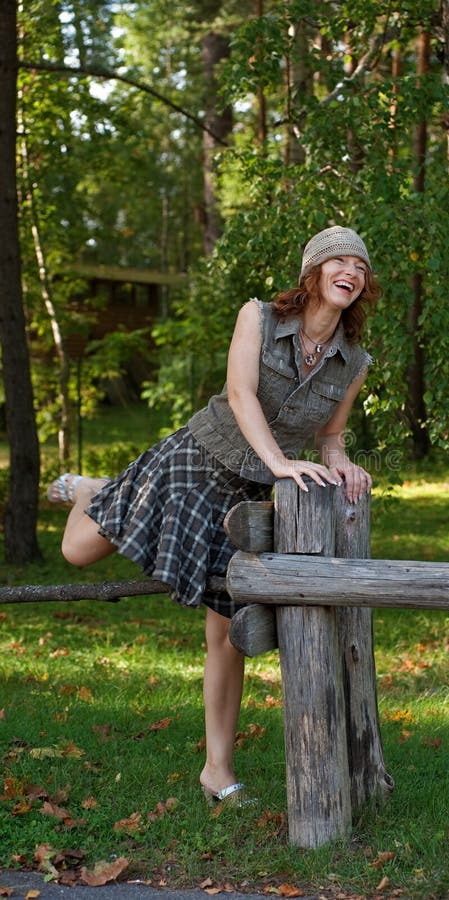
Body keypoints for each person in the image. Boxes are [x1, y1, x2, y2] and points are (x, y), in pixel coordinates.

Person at [48, 225, 381, 808]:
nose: (349, 271)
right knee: (78, 551)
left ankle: (217, 773)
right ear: (315, 271)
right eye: (339, 261)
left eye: (359, 265)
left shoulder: (354, 362)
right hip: (197, 460)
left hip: (250, 495)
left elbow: (331, 437)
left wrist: (345, 464)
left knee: (226, 634)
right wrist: (281, 462)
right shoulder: (257, 317)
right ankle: (93, 490)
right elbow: (240, 394)